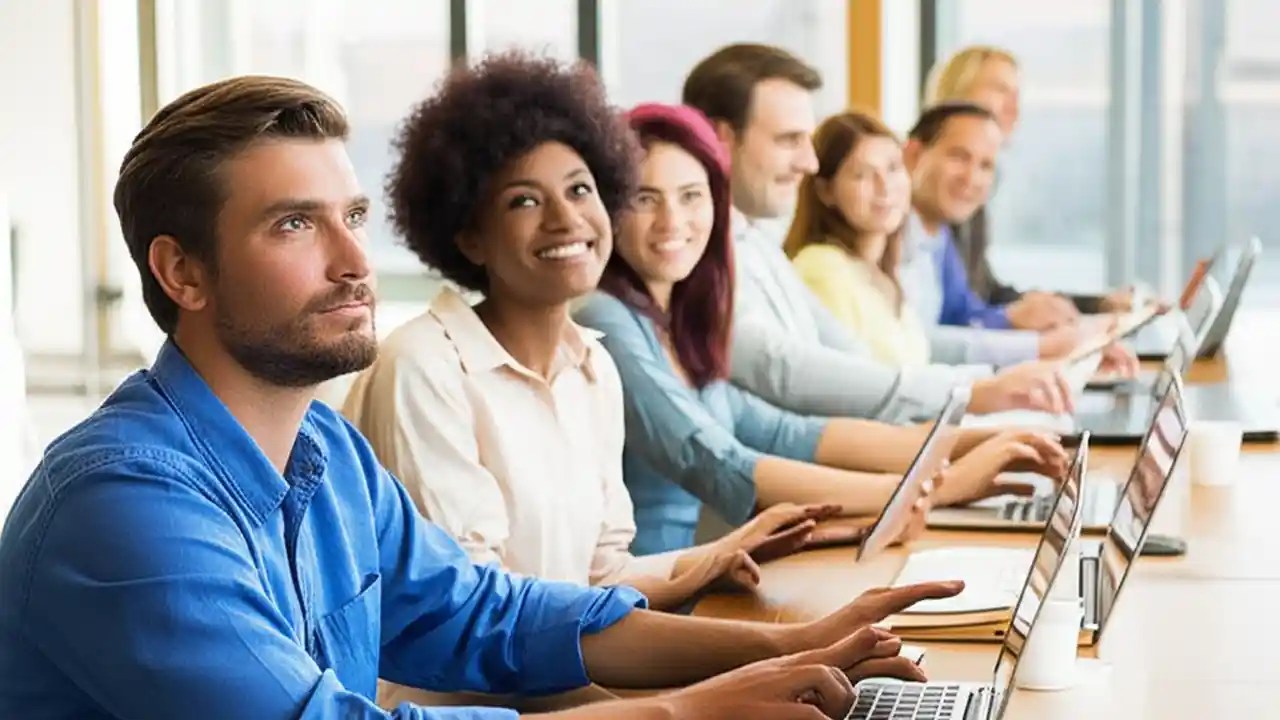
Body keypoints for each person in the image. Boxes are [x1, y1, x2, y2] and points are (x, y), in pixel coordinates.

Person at [0, 70, 965, 720]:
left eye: (353, 218)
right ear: (184, 272)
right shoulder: (123, 504)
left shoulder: (325, 455)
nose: (352, 263)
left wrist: (790, 644)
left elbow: (482, 615)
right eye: (295, 225)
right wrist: (688, 709)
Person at [343, 53, 835, 621]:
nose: (565, 219)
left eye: (580, 190)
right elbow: (478, 615)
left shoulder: (593, 365)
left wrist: (720, 556)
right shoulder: (423, 366)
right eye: (524, 200)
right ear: (471, 237)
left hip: (559, 678)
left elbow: (605, 575)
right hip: (473, 705)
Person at [574, 102, 1067, 556]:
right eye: (645, 199)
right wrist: (938, 486)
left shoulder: (679, 320)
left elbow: (790, 433)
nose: (672, 220)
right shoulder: (607, 319)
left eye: (691, 196)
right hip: (658, 603)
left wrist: (993, 441)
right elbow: (720, 464)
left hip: (703, 580)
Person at [680, 43, 1077, 423]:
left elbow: (862, 361)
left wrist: (981, 391)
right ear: (720, 138)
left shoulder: (757, 244)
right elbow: (786, 372)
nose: (809, 161)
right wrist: (975, 393)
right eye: (789, 140)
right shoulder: (703, 258)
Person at [902, 101, 1138, 374]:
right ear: (913, 155)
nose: (971, 178)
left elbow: (963, 315)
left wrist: (1066, 338)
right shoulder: (891, 238)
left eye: (986, 166)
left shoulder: (939, 236)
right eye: (958, 157)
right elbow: (915, 343)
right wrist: (1041, 345)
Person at [924, 45, 1137, 316]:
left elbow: (986, 294)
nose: (1014, 108)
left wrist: (1094, 305)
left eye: (1017, 95)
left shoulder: (970, 193)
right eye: (1001, 90)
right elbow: (962, 315)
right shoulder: (941, 191)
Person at [782, 110, 927, 368]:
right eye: (862, 174)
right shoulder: (821, 268)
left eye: (894, 168)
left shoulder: (884, 271)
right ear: (826, 190)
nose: (885, 187)